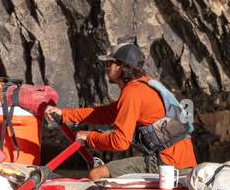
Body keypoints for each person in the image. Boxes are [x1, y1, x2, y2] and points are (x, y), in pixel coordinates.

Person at [44, 42, 197, 178]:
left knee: (96, 173)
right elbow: (106, 113)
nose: (107, 67)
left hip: (167, 163)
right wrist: (65, 114)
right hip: (179, 161)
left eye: (110, 63)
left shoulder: (133, 92)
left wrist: (89, 138)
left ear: (122, 67)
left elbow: (120, 142)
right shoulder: (141, 87)